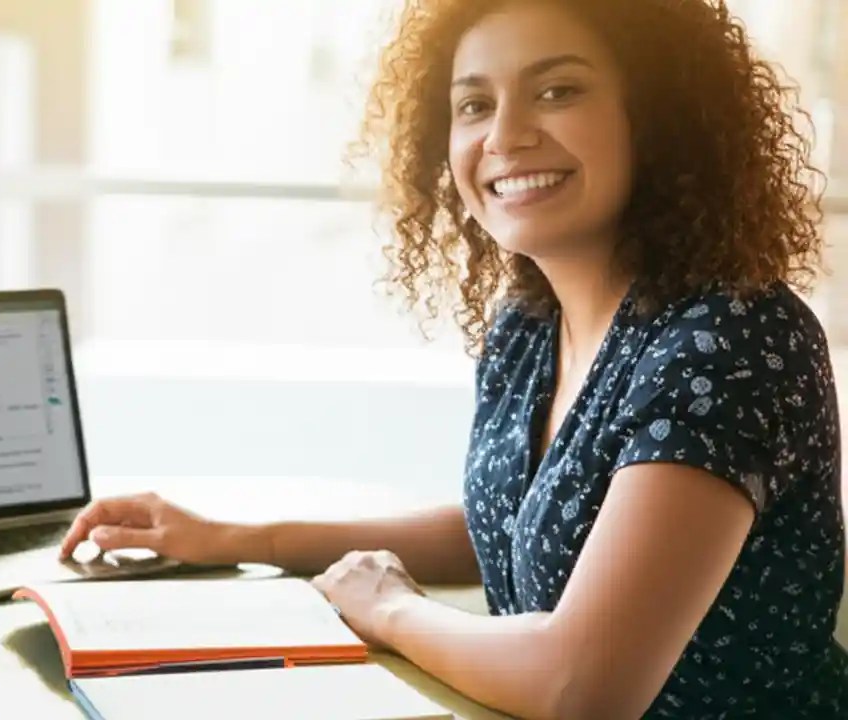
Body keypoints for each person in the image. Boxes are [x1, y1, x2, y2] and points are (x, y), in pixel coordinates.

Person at [58, 0, 848, 716]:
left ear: (659, 115)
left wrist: (390, 608)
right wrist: (240, 542)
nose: (504, 136)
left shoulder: (733, 341)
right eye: (474, 104)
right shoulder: (528, 326)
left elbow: (583, 687)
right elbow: (511, 526)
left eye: (557, 91)